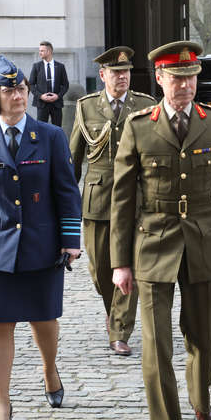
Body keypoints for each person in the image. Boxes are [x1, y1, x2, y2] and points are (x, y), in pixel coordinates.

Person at [110, 41, 211, 420]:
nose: (185, 86)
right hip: (152, 248)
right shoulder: (139, 127)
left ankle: (201, 403)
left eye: (191, 78)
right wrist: (120, 262)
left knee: (204, 342)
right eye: (176, 78)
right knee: (156, 351)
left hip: (204, 247)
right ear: (161, 81)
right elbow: (122, 199)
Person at [0, 55, 82, 420]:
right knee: (0, 322)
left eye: (22, 88)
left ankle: (48, 368)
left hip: (42, 244)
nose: (19, 96)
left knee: (44, 319)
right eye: (10, 90)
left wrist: (71, 240)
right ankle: (2, 401)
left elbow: (66, 192)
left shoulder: (50, 136)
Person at [69, 46, 156, 356]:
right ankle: (113, 311)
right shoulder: (86, 108)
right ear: (103, 75)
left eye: (127, 72)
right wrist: (66, 209)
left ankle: (119, 329)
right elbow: (73, 162)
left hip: (136, 198)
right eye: (116, 73)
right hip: (98, 197)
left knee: (128, 265)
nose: (123, 77)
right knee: (100, 268)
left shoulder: (145, 105)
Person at [29, 41, 69, 127]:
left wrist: (58, 96)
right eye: (40, 50)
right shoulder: (36, 66)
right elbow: (31, 85)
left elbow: (66, 85)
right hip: (42, 104)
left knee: (57, 129)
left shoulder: (60, 67)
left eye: (42, 51)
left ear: (49, 51)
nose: (40, 53)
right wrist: (40, 96)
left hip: (56, 104)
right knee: (40, 129)